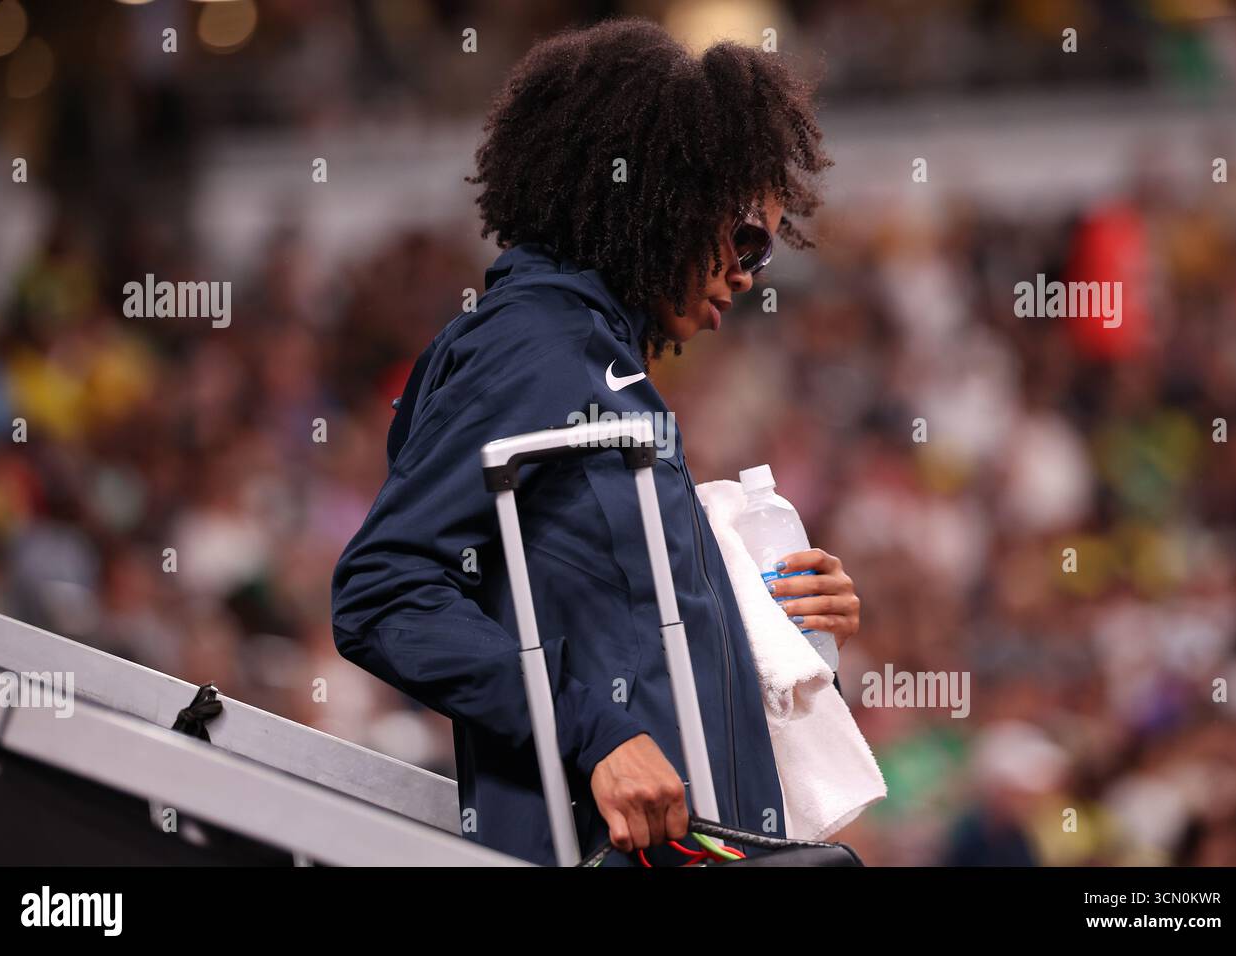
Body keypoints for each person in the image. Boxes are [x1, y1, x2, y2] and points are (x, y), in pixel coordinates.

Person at [330, 17, 860, 866]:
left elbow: (628, 634)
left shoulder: (602, 365)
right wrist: (594, 732)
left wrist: (778, 621)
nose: (752, 272)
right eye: (747, 236)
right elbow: (383, 590)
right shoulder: (531, 348)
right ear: (668, 196)